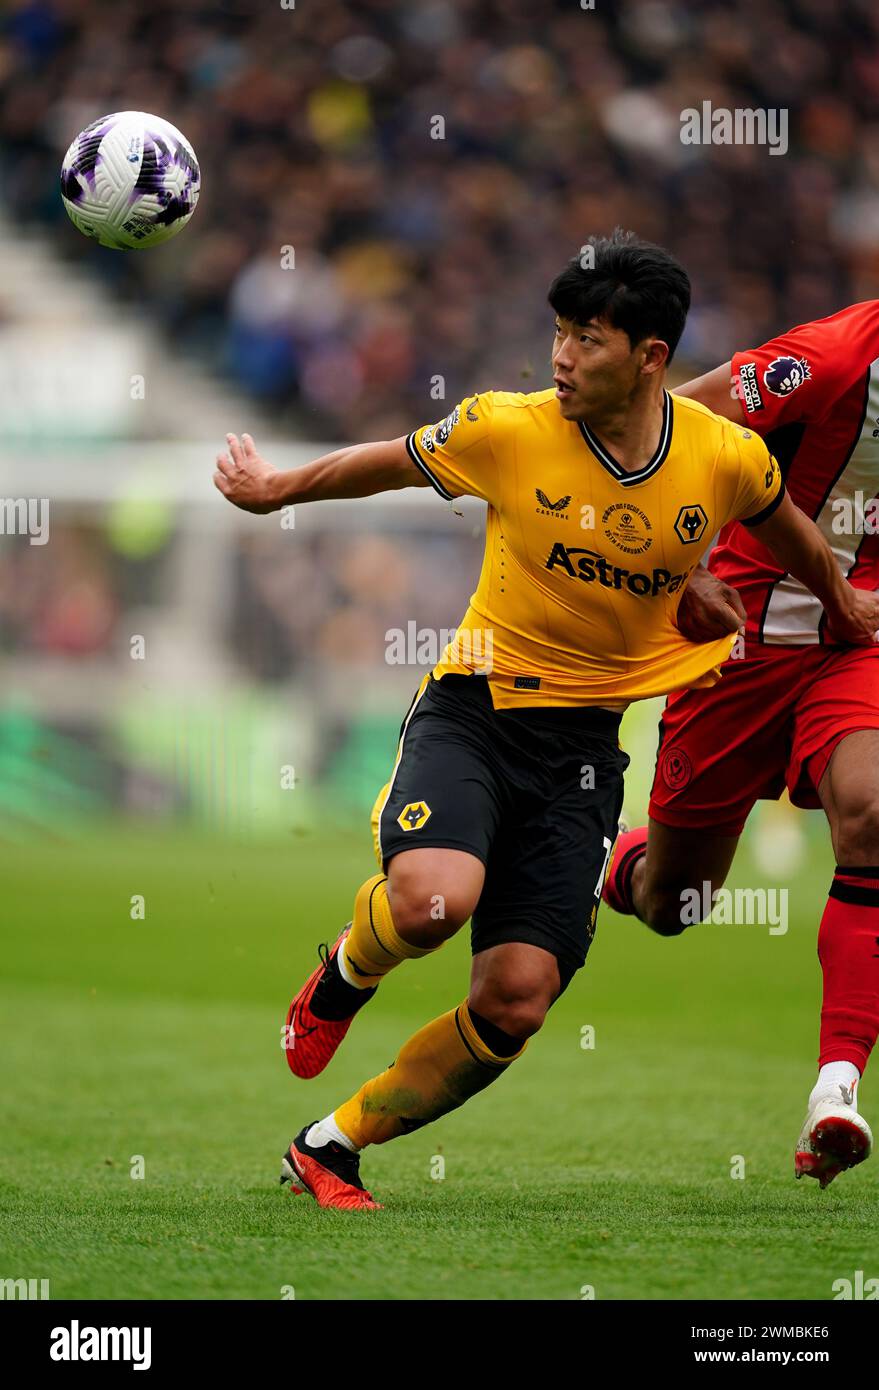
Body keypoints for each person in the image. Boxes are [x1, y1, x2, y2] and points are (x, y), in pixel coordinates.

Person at [213, 233, 879, 1210]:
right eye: (559, 334)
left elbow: (786, 523)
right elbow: (388, 462)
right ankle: (346, 971)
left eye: (588, 339)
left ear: (650, 356)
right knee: (434, 902)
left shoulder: (722, 458)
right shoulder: (506, 428)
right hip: (476, 714)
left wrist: (835, 597)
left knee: (517, 998)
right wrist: (276, 490)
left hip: (584, 754)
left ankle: (330, 1144)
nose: (562, 356)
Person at [604, 299, 879, 1188]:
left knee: (871, 811)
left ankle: (833, 1091)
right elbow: (667, 430)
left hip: (860, 635)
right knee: (673, 904)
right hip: (742, 635)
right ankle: (607, 860)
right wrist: (682, 569)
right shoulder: (834, 357)